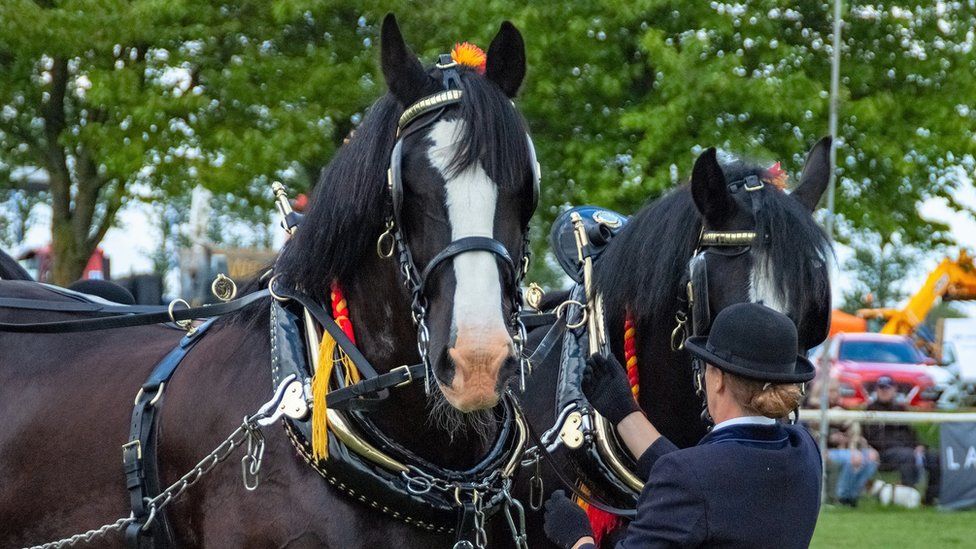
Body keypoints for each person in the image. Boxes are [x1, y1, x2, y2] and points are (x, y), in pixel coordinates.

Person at [543, 303, 821, 549]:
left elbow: (697, 481)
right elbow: (710, 483)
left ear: (718, 379)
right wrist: (627, 414)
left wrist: (578, 538)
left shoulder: (691, 477)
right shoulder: (806, 450)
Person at [863, 375, 941, 505]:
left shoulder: (900, 409)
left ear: (894, 389)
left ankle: (930, 499)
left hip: (907, 449)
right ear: (876, 390)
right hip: (884, 452)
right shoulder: (870, 410)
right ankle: (909, 498)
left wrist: (919, 445)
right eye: (881, 388)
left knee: (934, 457)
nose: (884, 391)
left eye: (887, 388)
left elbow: (911, 433)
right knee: (907, 456)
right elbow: (872, 437)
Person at [805, 380, 879, 506]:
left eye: (836, 391)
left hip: (848, 448)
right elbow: (809, 434)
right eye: (830, 391)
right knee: (854, 458)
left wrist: (852, 444)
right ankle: (842, 496)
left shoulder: (843, 409)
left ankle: (853, 493)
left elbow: (855, 432)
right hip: (822, 449)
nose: (834, 394)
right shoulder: (812, 410)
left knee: (872, 456)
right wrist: (830, 438)